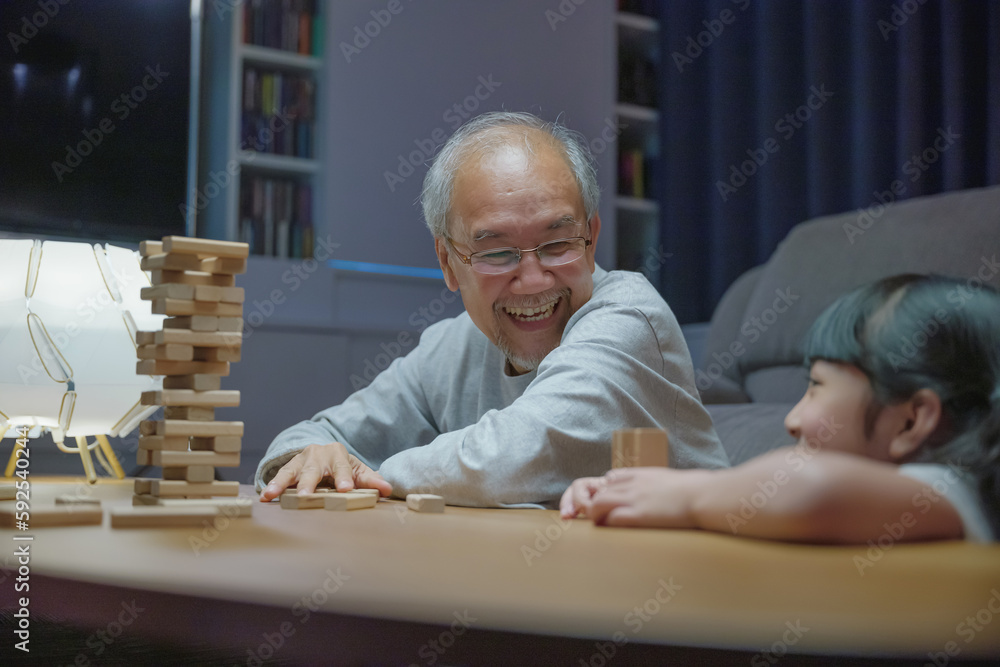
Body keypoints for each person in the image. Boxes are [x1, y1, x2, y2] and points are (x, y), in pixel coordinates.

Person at [255, 111, 728, 508]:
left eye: (558, 243)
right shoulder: (450, 346)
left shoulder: (628, 319)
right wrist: (310, 461)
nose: (534, 278)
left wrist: (361, 474)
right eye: (497, 252)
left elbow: (507, 459)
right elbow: (317, 434)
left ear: (592, 239)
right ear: (447, 262)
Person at [562, 273, 1000, 542]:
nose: (792, 420)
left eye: (815, 388)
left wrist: (685, 496)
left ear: (911, 420)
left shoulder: (959, 492)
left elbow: (813, 489)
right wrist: (632, 496)